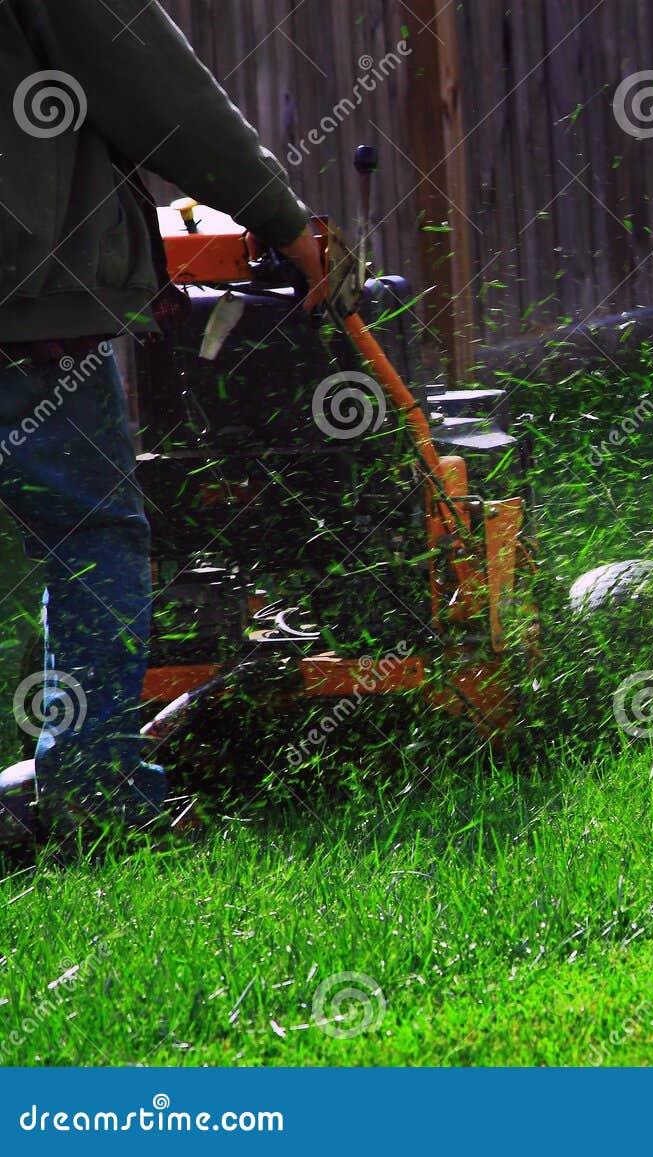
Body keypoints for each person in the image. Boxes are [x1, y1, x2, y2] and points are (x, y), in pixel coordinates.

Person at [0, 0, 327, 845]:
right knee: (91, 533)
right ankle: (97, 792)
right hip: (24, 306)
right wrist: (284, 222)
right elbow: (160, 90)